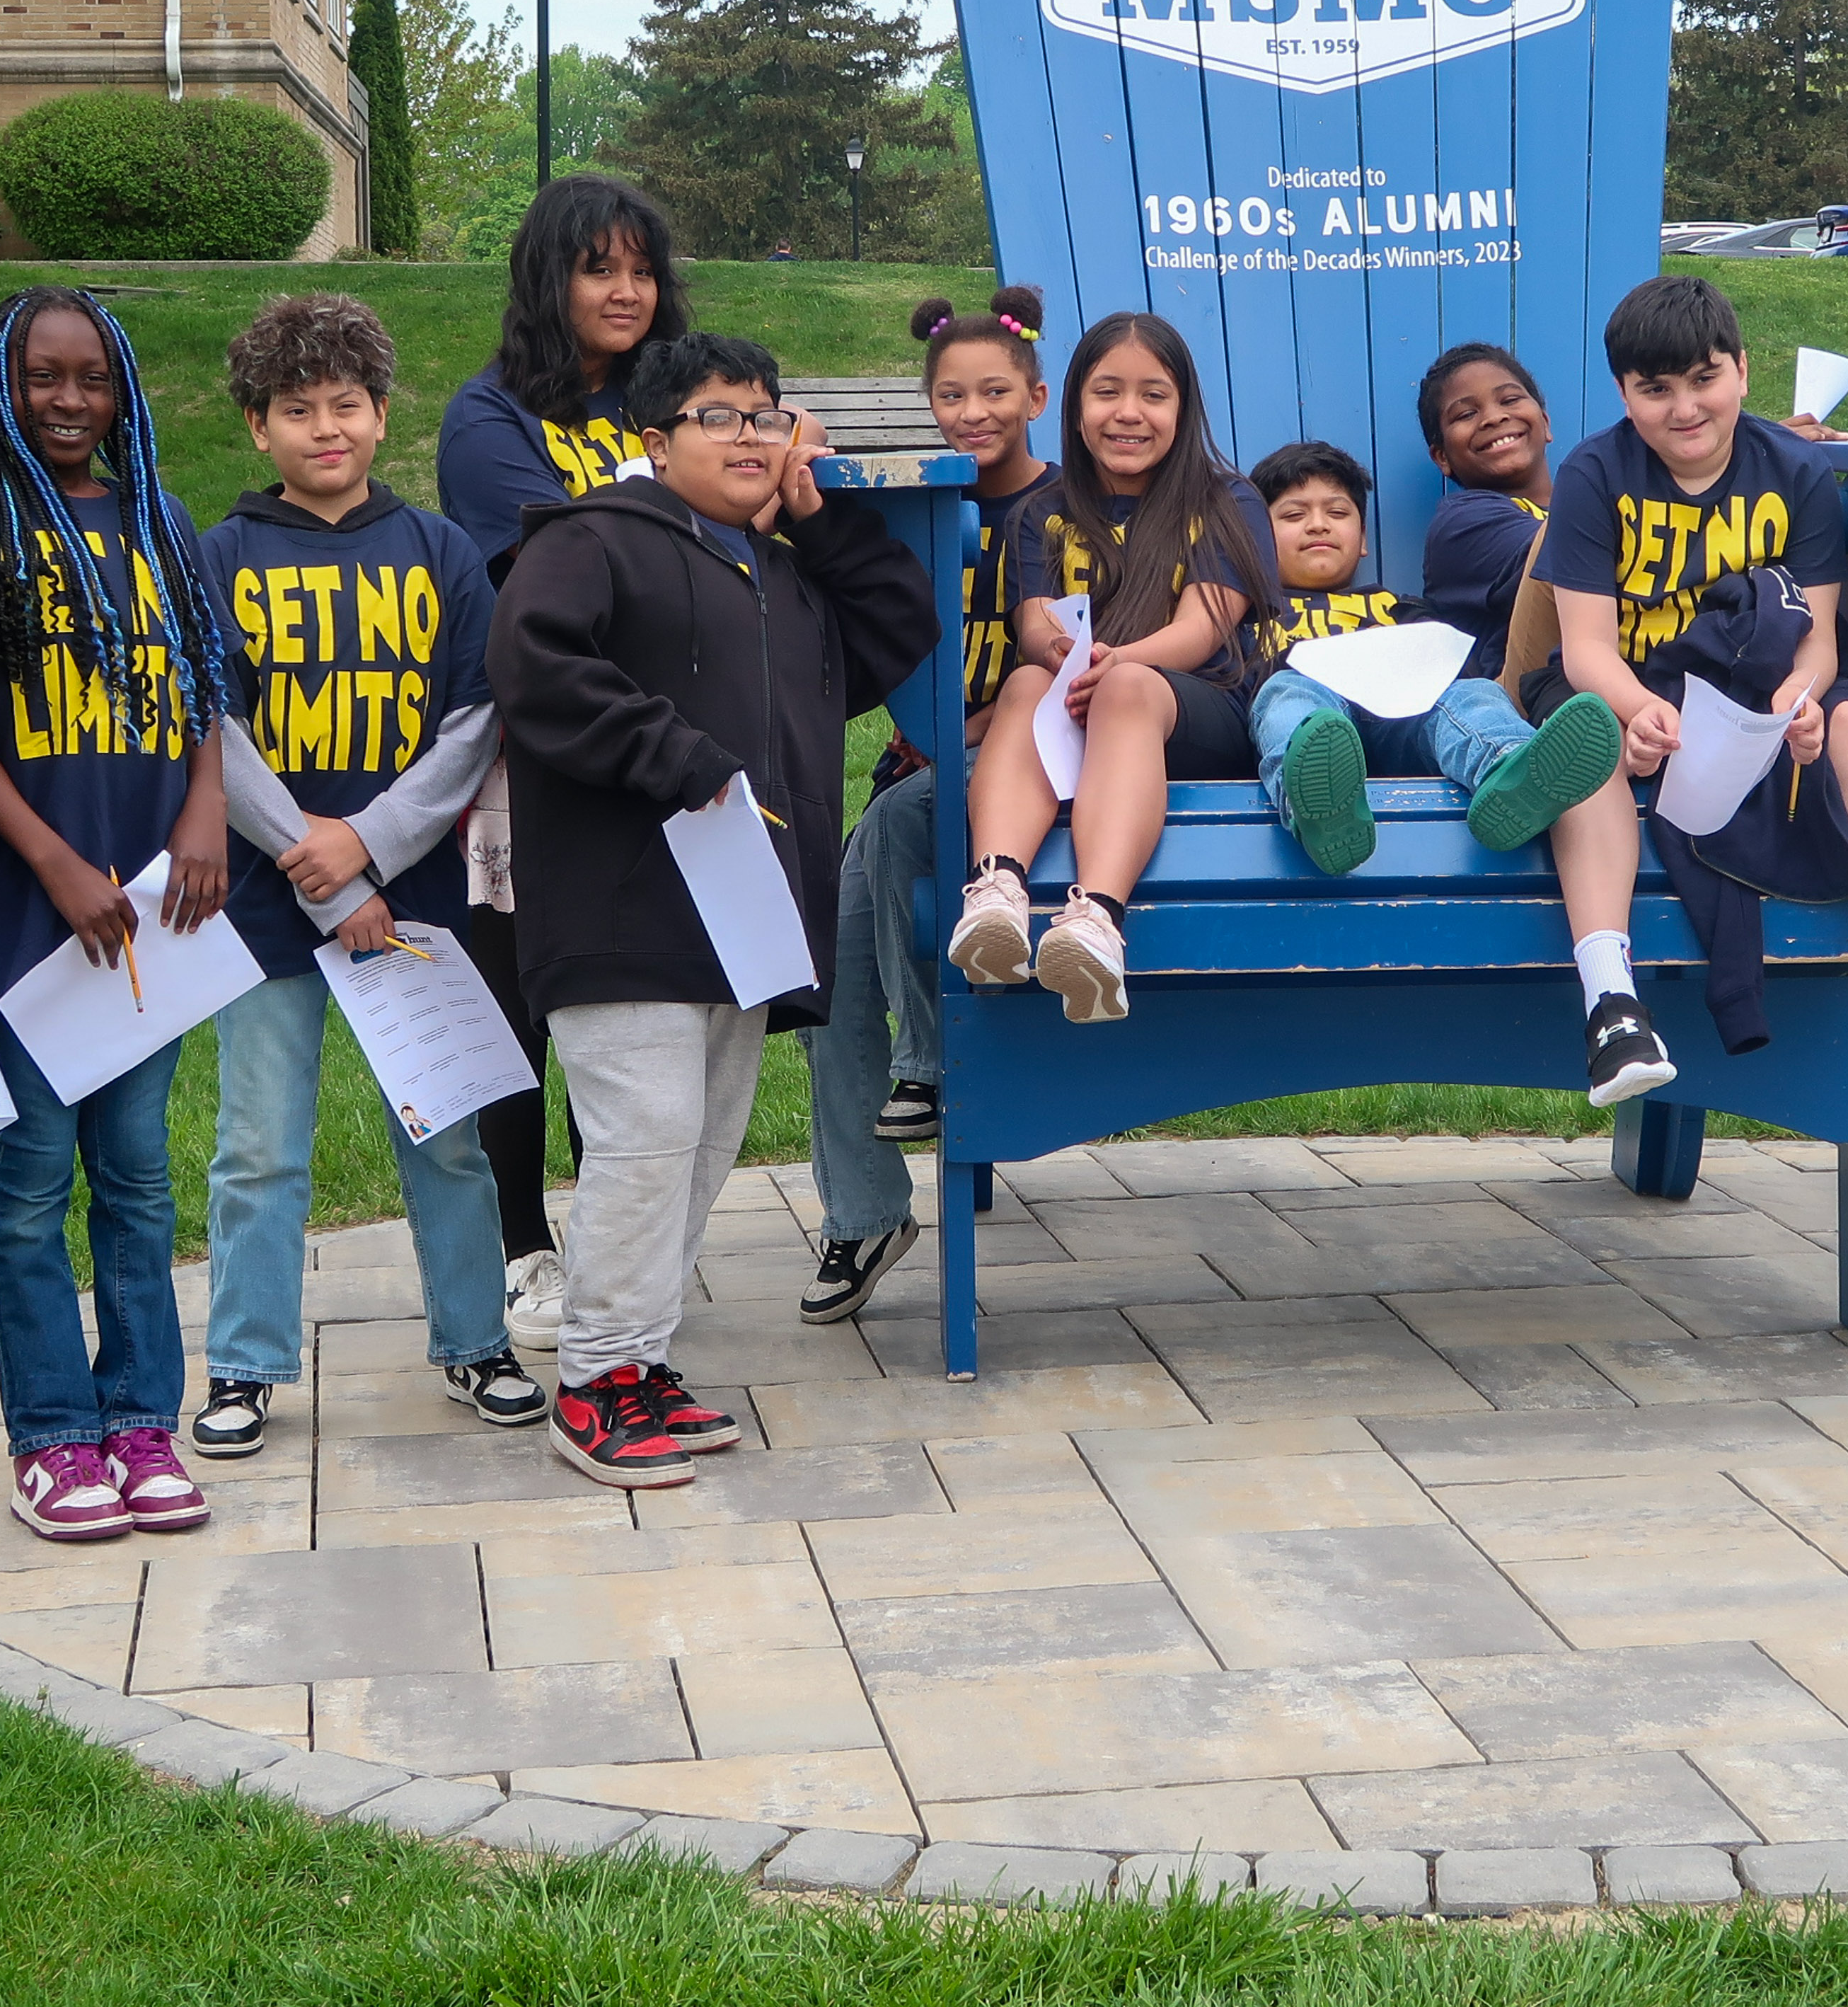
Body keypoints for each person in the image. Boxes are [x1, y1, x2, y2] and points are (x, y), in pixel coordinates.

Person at [490, 333, 936, 1488]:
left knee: (696, 1153)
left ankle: (638, 1362)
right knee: (642, 1148)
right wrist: (679, 755)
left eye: (766, 413)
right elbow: (535, 664)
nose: (749, 432)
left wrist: (820, 516)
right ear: (652, 439)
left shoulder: (779, 573)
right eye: (718, 414)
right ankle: (592, 1385)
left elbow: (899, 624)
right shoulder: (588, 541)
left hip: (745, 924)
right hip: (622, 910)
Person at [192, 295, 541, 1460]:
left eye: (346, 404)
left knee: (445, 1134)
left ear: (383, 415)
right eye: (298, 409)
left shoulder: (439, 551)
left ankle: (476, 1336)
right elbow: (214, 724)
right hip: (269, 905)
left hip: (418, 900)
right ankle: (243, 1362)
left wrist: (377, 841)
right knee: (259, 1143)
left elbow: (476, 717)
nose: (325, 427)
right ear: (259, 427)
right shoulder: (222, 554)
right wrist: (327, 871)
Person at [0, 287, 233, 1543]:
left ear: (123, 390)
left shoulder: (158, 518)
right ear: (1, 381)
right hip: (34, 911)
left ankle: (142, 1416)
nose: (67, 400)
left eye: (90, 377)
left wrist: (204, 807)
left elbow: (205, 678)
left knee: (140, 1176)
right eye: (42, 376)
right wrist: (44, 857)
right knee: (36, 1175)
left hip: (151, 911)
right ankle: (52, 1434)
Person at [1539, 273, 1848, 1103]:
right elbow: (1584, 651)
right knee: (1583, 740)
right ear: (1622, 394)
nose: (1684, 409)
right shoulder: (1593, 475)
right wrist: (1638, 711)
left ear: (1743, 371)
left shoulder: (1792, 469)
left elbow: (1815, 639)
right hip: (1630, 691)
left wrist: (1800, 705)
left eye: (1704, 379)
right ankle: (1610, 1007)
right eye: (1655, 390)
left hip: (1755, 687)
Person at [432, 175, 693, 1355]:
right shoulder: (489, 417)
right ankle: (522, 1248)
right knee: (518, 1002)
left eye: (641, 268)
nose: (627, 290)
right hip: (529, 755)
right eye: (600, 267)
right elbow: (552, 559)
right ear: (551, 278)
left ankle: (613, 1241)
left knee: (630, 996)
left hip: (658, 742)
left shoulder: (673, 400)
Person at [796, 287, 1053, 1328]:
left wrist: (975, 732)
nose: (973, 412)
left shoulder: (1059, 511)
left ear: (1035, 393)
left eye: (995, 391)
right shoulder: (909, 513)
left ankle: (928, 1065)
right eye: (951, 395)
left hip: (1023, 770)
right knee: (832, 949)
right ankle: (864, 1208)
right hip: (916, 769)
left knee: (908, 826)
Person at [945, 313, 1280, 1025]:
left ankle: (1095, 917)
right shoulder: (1044, 511)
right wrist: (1054, 654)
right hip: (1079, 709)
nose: (1128, 413)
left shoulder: (1226, 500)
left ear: (1183, 410)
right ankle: (997, 892)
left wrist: (1113, 663)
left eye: (1152, 395)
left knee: (1124, 688)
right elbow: (1032, 619)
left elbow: (1202, 627)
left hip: (1197, 717)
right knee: (1028, 682)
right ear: (1072, 406)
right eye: (1106, 392)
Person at [1248, 430, 1629, 924]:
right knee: (1289, 693)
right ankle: (1319, 808)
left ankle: (1512, 771)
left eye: (1338, 513)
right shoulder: (1251, 620)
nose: (1318, 525)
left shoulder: (1403, 610)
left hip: (1399, 718)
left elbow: (1450, 671)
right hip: (1317, 724)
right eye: (1294, 515)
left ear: (1363, 540)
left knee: (1467, 693)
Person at [1416, 342, 1557, 680]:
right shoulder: (1461, 524)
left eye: (1510, 400)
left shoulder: (1591, 505)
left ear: (1545, 422)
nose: (1494, 417)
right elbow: (1570, 559)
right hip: (1525, 700)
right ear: (1442, 458)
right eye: (1466, 415)